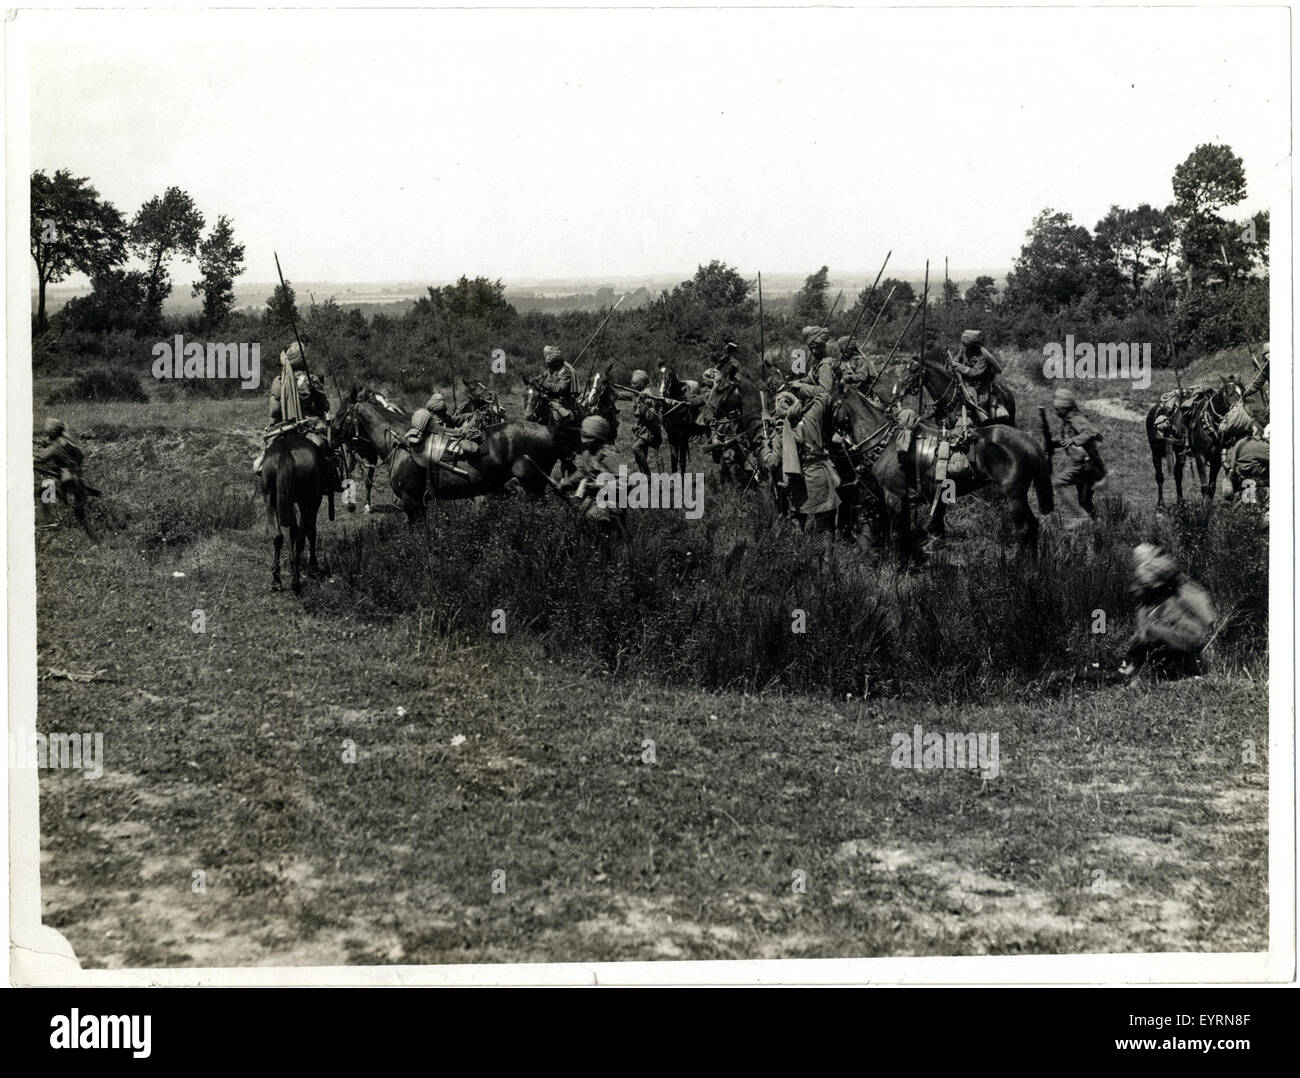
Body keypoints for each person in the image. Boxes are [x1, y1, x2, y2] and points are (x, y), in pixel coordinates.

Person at [255, 336, 343, 491]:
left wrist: (271, 428)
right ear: (302, 360)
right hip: (309, 424)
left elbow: (274, 411)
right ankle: (332, 479)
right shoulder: (311, 379)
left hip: (283, 425)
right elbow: (324, 405)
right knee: (328, 448)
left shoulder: (279, 380)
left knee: (266, 452)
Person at [1120, 544, 1216, 679]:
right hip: (1188, 658)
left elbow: (1144, 639)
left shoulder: (1160, 607)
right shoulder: (1179, 591)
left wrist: (1131, 666)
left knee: (1149, 634)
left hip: (1183, 660)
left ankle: (1130, 674)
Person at [775, 382, 840, 532]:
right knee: (825, 522)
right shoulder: (812, 415)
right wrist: (802, 387)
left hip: (796, 480)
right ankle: (826, 555)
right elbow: (825, 393)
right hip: (817, 474)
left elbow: (774, 460)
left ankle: (800, 552)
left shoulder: (780, 428)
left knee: (797, 521)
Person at [556, 415, 625, 531]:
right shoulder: (590, 455)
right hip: (593, 500)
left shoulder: (611, 456)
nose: (585, 444)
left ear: (598, 439)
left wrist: (599, 486)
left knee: (595, 520)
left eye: (589, 439)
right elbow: (581, 472)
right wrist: (565, 484)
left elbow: (625, 482)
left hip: (612, 503)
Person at [1048, 386, 1105, 518]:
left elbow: (1092, 432)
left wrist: (1073, 440)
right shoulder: (1069, 420)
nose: (1056, 412)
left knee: (1056, 482)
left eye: (1057, 409)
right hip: (1090, 467)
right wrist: (1060, 442)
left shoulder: (1075, 419)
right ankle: (1102, 524)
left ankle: (1079, 517)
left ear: (1065, 407)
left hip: (1085, 466)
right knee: (1084, 501)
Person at [950, 329, 1005, 420]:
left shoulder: (983, 355)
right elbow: (957, 359)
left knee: (978, 406)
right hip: (964, 383)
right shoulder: (964, 349)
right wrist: (953, 363)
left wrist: (958, 366)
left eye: (966, 344)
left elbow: (975, 373)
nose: (963, 345)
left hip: (980, 387)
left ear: (972, 345)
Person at [617, 368, 662, 474]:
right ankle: (645, 478)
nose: (632, 386)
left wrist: (644, 401)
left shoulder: (650, 394)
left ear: (642, 383)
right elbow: (624, 395)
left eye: (635, 384)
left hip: (651, 430)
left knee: (636, 448)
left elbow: (652, 416)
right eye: (632, 383)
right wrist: (614, 392)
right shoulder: (638, 393)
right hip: (642, 429)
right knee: (640, 456)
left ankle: (648, 476)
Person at [538, 344, 579, 425]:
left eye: (550, 364)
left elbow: (559, 389)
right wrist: (536, 380)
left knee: (558, 419)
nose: (548, 366)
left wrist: (544, 384)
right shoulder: (551, 369)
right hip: (549, 399)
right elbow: (542, 377)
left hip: (562, 402)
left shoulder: (565, 372)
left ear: (556, 363)